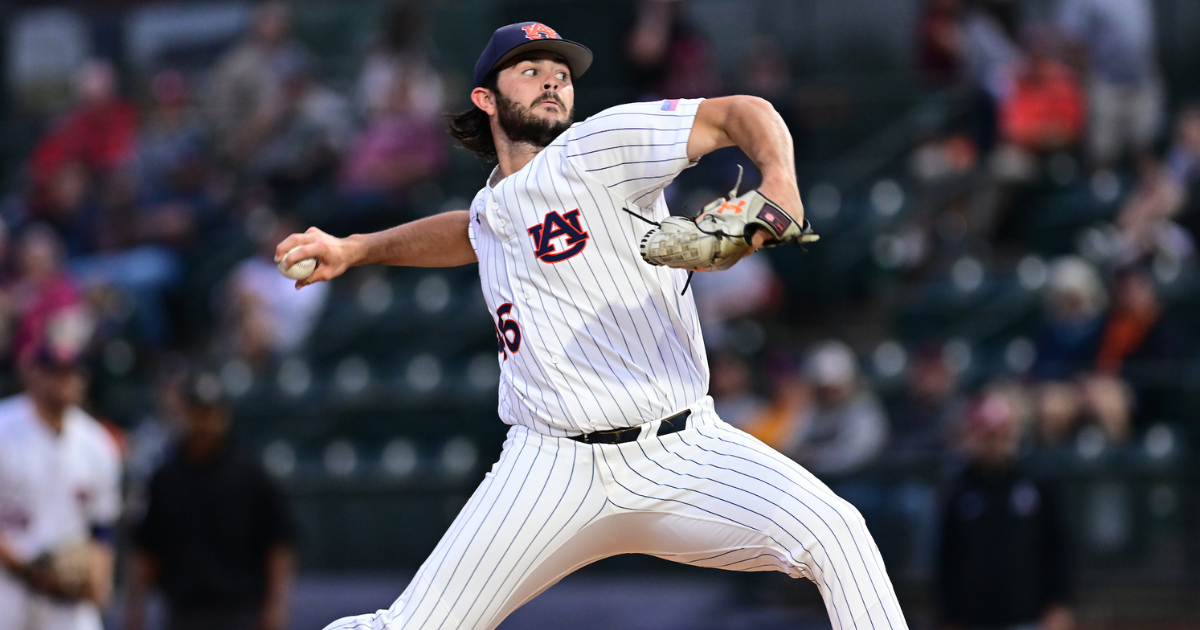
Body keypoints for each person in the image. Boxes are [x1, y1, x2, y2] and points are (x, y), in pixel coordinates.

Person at [277, 21, 908, 630]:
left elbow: (739, 111)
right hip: (549, 468)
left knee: (837, 533)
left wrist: (781, 185)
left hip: (684, 450)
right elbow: (465, 230)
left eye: (561, 74)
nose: (552, 82)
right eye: (530, 72)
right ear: (485, 99)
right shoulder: (495, 205)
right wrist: (356, 248)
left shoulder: (602, 145)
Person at [125, 371, 297, 630]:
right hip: (184, 612)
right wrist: (135, 611)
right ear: (185, 414)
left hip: (240, 612)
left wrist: (276, 607)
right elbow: (148, 551)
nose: (205, 422)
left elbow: (278, 545)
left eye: (211, 413)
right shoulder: (166, 477)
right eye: (198, 412)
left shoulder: (249, 474)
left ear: (224, 415)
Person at [0, 339, 122, 630]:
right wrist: (26, 569)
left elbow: (102, 524)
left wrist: (99, 579)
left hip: (67, 594)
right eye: (54, 372)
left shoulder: (97, 444)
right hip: (7, 583)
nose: (64, 381)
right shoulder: (3, 428)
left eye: (71, 373)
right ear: (32, 375)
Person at [937, 390, 1074, 630]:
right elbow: (947, 558)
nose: (994, 444)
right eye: (987, 436)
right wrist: (949, 614)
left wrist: (1059, 604)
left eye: (999, 435)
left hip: (1028, 618)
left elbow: (1057, 547)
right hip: (974, 620)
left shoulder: (1036, 483)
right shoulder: (959, 490)